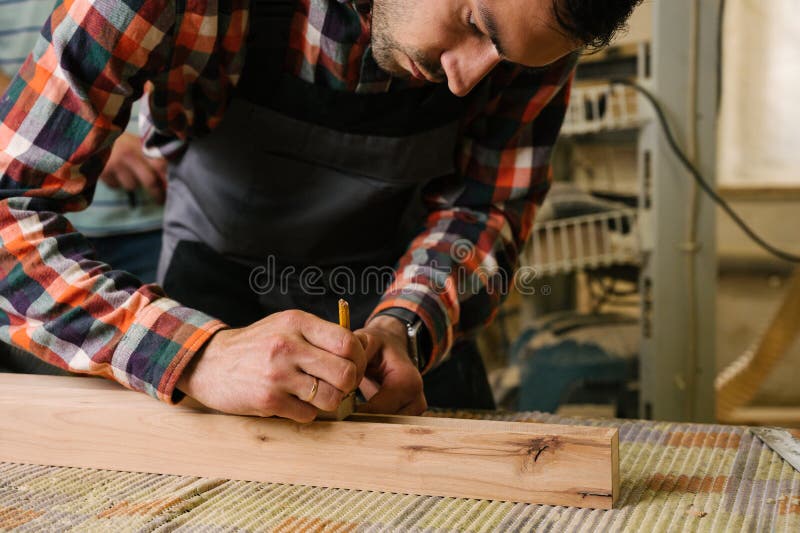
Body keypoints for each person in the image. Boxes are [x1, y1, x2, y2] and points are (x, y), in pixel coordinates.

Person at [0, 0, 641, 421]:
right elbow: (8, 212)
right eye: (473, 24)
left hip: (397, 331)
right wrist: (196, 354)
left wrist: (404, 330)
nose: (467, 77)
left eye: (504, 57)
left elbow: (487, 208)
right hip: (209, 295)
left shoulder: (531, 23)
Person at [0, 0, 166, 374]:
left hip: (160, 221)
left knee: (159, 384)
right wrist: (84, 133)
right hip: (35, 231)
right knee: (55, 403)